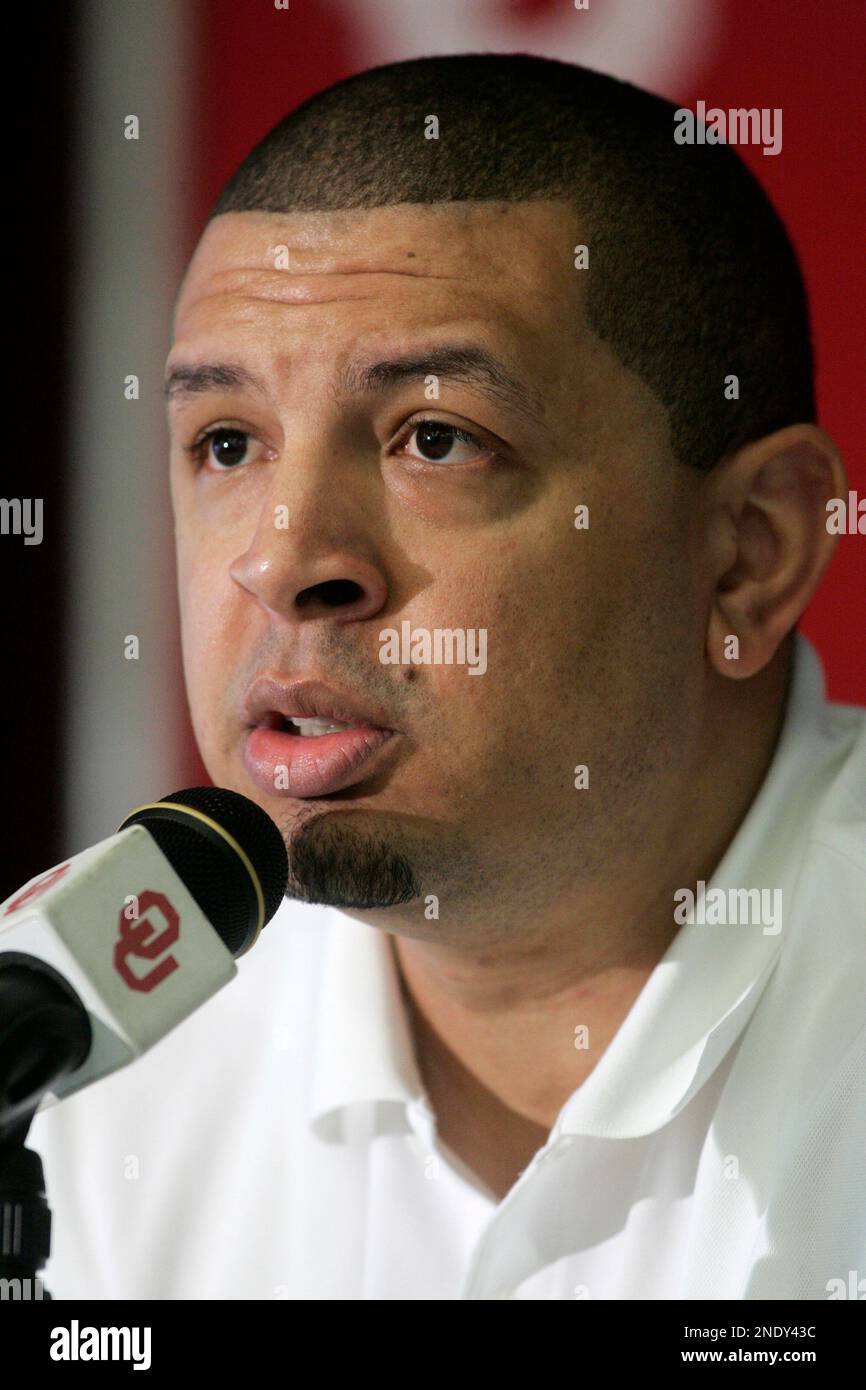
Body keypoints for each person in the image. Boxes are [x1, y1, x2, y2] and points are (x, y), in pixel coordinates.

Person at [32, 53, 864, 1300]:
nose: (282, 559)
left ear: (749, 552)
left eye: (435, 439)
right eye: (225, 443)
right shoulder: (87, 1056)